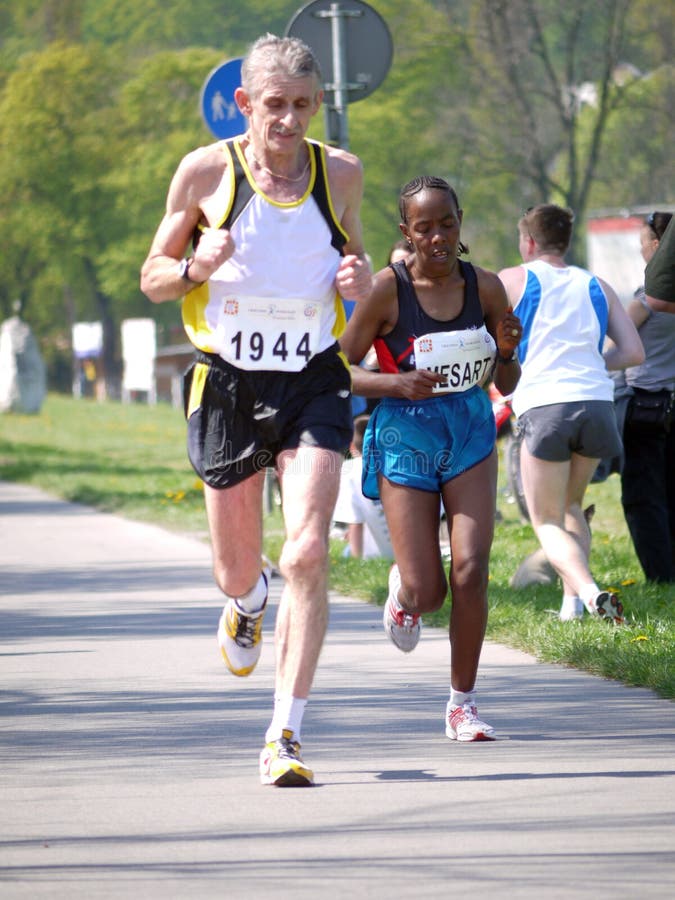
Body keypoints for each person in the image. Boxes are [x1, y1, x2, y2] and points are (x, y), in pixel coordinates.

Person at [140, 34, 373, 787]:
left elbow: (354, 267)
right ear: (244, 103)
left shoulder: (339, 173)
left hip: (312, 376)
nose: (289, 120)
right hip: (228, 383)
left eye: (303, 106)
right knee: (237, 566)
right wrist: (190, 267)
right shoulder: (206, 171)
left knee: (307, 550)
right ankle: (247, 600)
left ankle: (285, 735)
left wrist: (355, 278)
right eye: (275, 105)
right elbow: (151, 277)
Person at [340, 176, 522, 742]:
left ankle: (462, 705)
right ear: (406, 233)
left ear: (460, 222)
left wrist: (509, 351)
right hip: (405, 435)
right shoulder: (384, 291)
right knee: (431, 590)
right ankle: (406, 595)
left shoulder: (487, 287)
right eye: (424, 228)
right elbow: (336, 369)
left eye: (447, 224)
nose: (438, 237)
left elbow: (508, 380)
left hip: (468, 429)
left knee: (469, 571)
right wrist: (395, 385)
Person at [498, 204, 644, 623]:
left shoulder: (513, 278)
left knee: (545, 520)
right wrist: (591, 365)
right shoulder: (595, 283)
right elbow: (634, 352)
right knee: (573, 507)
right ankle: (570, 608)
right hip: (597, 404)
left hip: (545, 406)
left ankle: (590, 591)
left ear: (528, 241)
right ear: (566, 240)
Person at [616, 212, 675, 582]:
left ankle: (660, 576)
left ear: (657, 247)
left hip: (645, 409)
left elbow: (612, 344)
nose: (640, 251)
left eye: (642, 245)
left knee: (642, 498)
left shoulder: (645, 304)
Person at [333, 414, 393, 559]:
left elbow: (355, 522)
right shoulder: (397, 464)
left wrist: (356, 559)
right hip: (409, 552)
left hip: (374, 555)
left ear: (352, 447)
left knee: (345, 551)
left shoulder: (350, 470)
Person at [644, 214, 675, 312]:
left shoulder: (640, 303)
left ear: (656, 245)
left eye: (642, 243)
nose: (641, 250)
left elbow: (657, 300)